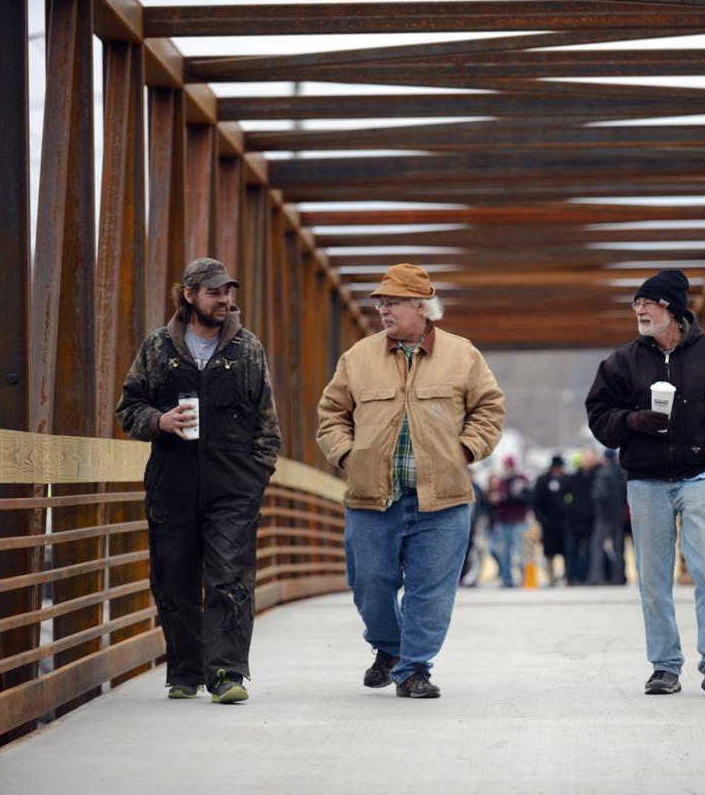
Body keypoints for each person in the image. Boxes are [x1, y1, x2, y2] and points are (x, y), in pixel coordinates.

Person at [316, 263, 505, 699]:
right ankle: (389, 646)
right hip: (371, 498)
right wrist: (348, 455)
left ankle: (414, 669)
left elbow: (489, 410)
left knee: (431, 592)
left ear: (421, 306)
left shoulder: (463, 355)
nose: (383, 309)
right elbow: (331, 415)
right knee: (370, 584)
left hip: (444, 500)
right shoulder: (358, 357)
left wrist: (465, 450)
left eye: (393, 302)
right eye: (380, 302)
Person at [116, 257, 281, 704]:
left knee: (229, 577)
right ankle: (185, 672)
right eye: (214, 292)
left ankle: (227, 674)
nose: (224, 299)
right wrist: (159, 420)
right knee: (175, 579)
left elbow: (268, 424)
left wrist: (256, 479)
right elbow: (127, 410)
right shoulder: (157, 349)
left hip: (233, 487)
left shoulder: (248, 349)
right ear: (189, 296)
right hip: (173, 482)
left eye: (228, 291)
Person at [586, 269, 705, 697]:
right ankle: (664, 667)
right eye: (636, 304)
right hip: (645, 481)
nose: (639, 310)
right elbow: (599, 416)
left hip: (701, 474)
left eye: (648, 302)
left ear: (673, 309)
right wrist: (632, 421)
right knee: (653, 579)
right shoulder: (622, 362)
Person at [489, 456, 532, 588]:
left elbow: (526, 497)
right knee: (505, 552)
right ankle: (507, 579)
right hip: (504, 521)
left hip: (519, 521)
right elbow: (498, 498)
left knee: (521, 552)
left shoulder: (521, 479)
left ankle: (526, 578)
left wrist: (507, 497)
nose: (506, 468)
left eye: (508, 466)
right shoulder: (502, 481)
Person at [588, 449, 628, 586]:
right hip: (619, 516)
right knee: (619, 549)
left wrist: (594, 497)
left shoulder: (603, 473)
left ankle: (596, 578)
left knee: (597, 547)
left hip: (604, 517)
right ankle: (619, 578)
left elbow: (600, 494)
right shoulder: (621, 473)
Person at [561, 451, 598, 585]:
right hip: (573, 521)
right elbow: (564, 495)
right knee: (571, 551)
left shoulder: (597, 475)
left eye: (590, 460)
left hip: (591, 521)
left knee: (589, 551)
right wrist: (568, 506)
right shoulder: (573, 477)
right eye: (586, 460)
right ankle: (571, 578)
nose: (587, 462)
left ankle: (586, 577)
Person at [532, 456, 569, 586]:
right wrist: (541, 518)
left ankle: (566, 576)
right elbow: (536, 502)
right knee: (548, 552)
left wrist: (567, 509)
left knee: (566, 550)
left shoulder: (567, 479)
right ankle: (551, 577)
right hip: (547, 522)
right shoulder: (543, 480)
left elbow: (569, 498)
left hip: (564, 522)